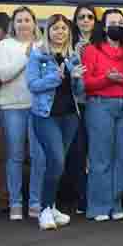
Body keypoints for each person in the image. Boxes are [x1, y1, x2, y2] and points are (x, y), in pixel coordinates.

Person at [26, 14, 82, 231]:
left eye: (64, 28)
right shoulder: (38, 55)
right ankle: (44, 210)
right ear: (48, 31)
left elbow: (79, 92)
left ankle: (51, 206)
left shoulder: (73, 56)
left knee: (58, 163)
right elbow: (33, 84)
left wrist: (76, 79)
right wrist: (56, 78)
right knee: (56, 161)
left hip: (70, 116)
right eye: (56, 28)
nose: (60, 32)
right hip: (45, 115)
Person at [82, 8, 123, 222]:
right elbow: (86, 83)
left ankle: (116, 203)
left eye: (121, 23)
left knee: (120, 157)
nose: (117, 27)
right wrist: (107, 79)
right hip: (100, 106)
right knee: (100, 158)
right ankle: (98, 206)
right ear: (103, 27)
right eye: (112, 23)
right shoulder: (92, 50)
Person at [0, 7, 38, 220]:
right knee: (15, 156)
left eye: (27, 20)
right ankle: (15, 203)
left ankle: (36, 202)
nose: (23, 24)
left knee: (38, 157)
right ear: (13, 24)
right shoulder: (5, 45)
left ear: (34, 23)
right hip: (12, 107)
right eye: (19, 20)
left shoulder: (42, 45)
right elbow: (3, 75)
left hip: (37, 107)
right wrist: (25, 57)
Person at [58, 4, 98, 215]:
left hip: (98, 102)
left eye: (90, 17)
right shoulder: (68, 44)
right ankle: (82, 197)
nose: (85, 20)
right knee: (78, 151)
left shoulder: (102, 43)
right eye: (81, 17)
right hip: (76, 103)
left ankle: (97, 196)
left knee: (97, 151)